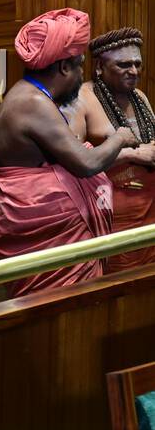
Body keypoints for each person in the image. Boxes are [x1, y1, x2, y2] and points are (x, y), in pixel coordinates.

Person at [0, 8, 136, 295]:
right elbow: (86, 163)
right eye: (80, 65)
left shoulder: (27, 94)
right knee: (60, 316)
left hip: (46, 230)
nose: (82, 74)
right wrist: (119, 137)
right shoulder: (32, 103)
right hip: (43, 232)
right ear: (63, 67)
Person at [69, 28, 155, 272]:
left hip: (150, 208)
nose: (134, 71)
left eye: (138, 64)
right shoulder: (81, 99)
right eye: (124, 65)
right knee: (117, 283)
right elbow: (74, 160)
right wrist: (133, 154)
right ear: (99, 67)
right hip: (111, 213)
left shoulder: (139, 96)